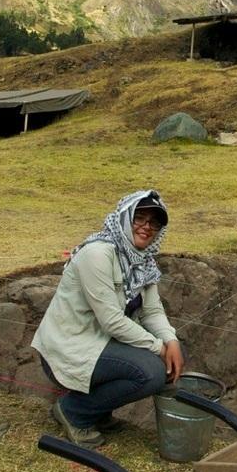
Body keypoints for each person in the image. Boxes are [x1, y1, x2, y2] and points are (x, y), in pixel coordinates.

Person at [32, 190, 186, 448]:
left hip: (102, 345)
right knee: (151, 372)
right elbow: (111, 320)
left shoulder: (143, 261)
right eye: (140, 218)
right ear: (124, 217)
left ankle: (99, 412)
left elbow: (152, 311)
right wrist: (158, 347)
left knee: (172, 356)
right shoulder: (98, 254)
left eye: (155, 222)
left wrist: (171, 341)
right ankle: (74, 412)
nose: (147, 227)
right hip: (71, 347)